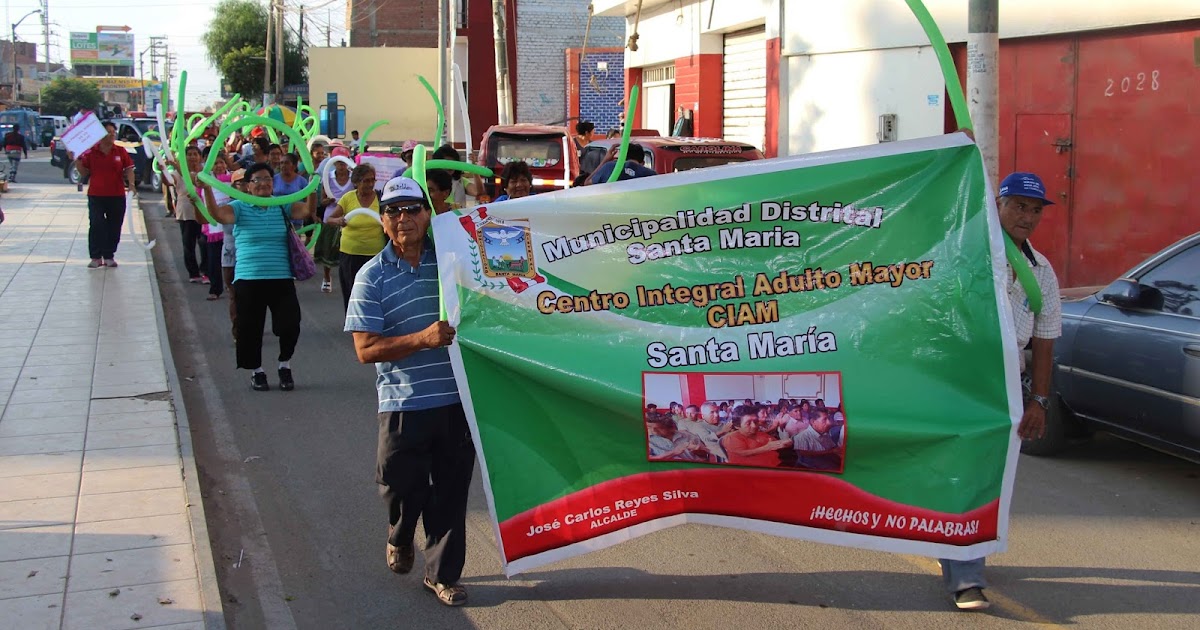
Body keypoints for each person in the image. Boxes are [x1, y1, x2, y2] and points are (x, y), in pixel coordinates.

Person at [345, 176, 475, 607]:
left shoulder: (453, 264)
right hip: (404, 404)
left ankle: (442, 576)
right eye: (394, 211)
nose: (404, 219)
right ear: (383, 221)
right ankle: (400, 535)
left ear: (427, 214)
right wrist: (422, 339)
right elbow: (365, 350)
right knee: (401, 487)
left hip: (456, 403)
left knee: (451, 494)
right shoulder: (371, 278)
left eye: (413, 209)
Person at [938, 171, 1063, 612]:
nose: (1027, 217)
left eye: (1035, 210)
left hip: (1007, 391)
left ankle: (963, 551)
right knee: (966, 476)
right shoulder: (968, 253)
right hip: (960, 385)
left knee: (989, 478)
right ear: (998, 205)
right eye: (1019, 206)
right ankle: (966, 577)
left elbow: (1045, 339)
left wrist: (1040, 401)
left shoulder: (1041, 271)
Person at [198, 163, 315, 392]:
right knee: (250, 328)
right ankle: (257, 371)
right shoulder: (239, 207)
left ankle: (284, 365)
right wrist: (207, 190)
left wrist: (312, 184)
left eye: (268, 179)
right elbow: (217, 215)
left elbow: (306, 211)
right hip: (248, 278)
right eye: (258, 179)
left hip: (281, 277)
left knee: (290, 324)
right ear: (248, 186)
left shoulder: (281, 206)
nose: (264, 183)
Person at [75, 121, 135, 269]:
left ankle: (109, 255)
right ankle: (95, 256)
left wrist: (132, 185)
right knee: (96, 224)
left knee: (114, 225)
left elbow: (129, 169)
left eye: (113, 132)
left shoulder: (120, 151)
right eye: (109, 132)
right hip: (96, 195)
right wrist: (77, 160)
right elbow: (84, 173)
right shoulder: (91, 152)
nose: (112, 134)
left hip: (116, 194)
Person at [325, 163, 383, 309]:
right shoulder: (348, 198)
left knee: (376, 293)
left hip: (376, 255)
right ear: (356, 182)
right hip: (351, 255)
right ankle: (355, 326)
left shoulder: (381, 199)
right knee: (352, 292)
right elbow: (329, 219)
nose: (370, 184)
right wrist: (339, 221)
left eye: (372, 180)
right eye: (366, 181)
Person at [313, 158, 354, 293]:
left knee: (348, 251)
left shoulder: (353, 177)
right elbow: (322, 201)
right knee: (328, 250)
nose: (341, 166)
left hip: (350, 217)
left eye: (344, 163)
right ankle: (326, 277)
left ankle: (349, 278)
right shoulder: (328, 177)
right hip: (331, 216)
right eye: (339, 163)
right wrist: (328, 200)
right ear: (334, 164)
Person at [172, 146, 210, 284]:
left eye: (195, 154)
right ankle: (193, 273)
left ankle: (206, 271)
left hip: (204, 212)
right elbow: (168, 181)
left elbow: (194, 179)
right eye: (189, 154)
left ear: (200, 157)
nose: (193, 157)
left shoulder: (206, 172)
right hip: (186, 212)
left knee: (205, 243)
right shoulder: (177, 173)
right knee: (189, 244)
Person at [720, 405, 791, 467]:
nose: (754, 426)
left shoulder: (760, 433)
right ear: (737, 426)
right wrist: (767, 448)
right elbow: (743, 453)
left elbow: (776, 443)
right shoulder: (731, 437)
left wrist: (786, 443)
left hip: (775, 465)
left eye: (756, 421)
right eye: (748, 423)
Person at [588, 143, 656, 184]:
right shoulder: (651, 175)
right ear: (643, 163)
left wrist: (605, 160)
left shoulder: (608, 168)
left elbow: (587, 183)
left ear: (621, 157)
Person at [273, 154, 309, 228]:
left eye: (286, 163)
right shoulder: (274, 179)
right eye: (281, 163)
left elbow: (308, 202)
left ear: (294, 166)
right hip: (277, 218)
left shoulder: (302, 181)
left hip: (296, 220)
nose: (283, 165)